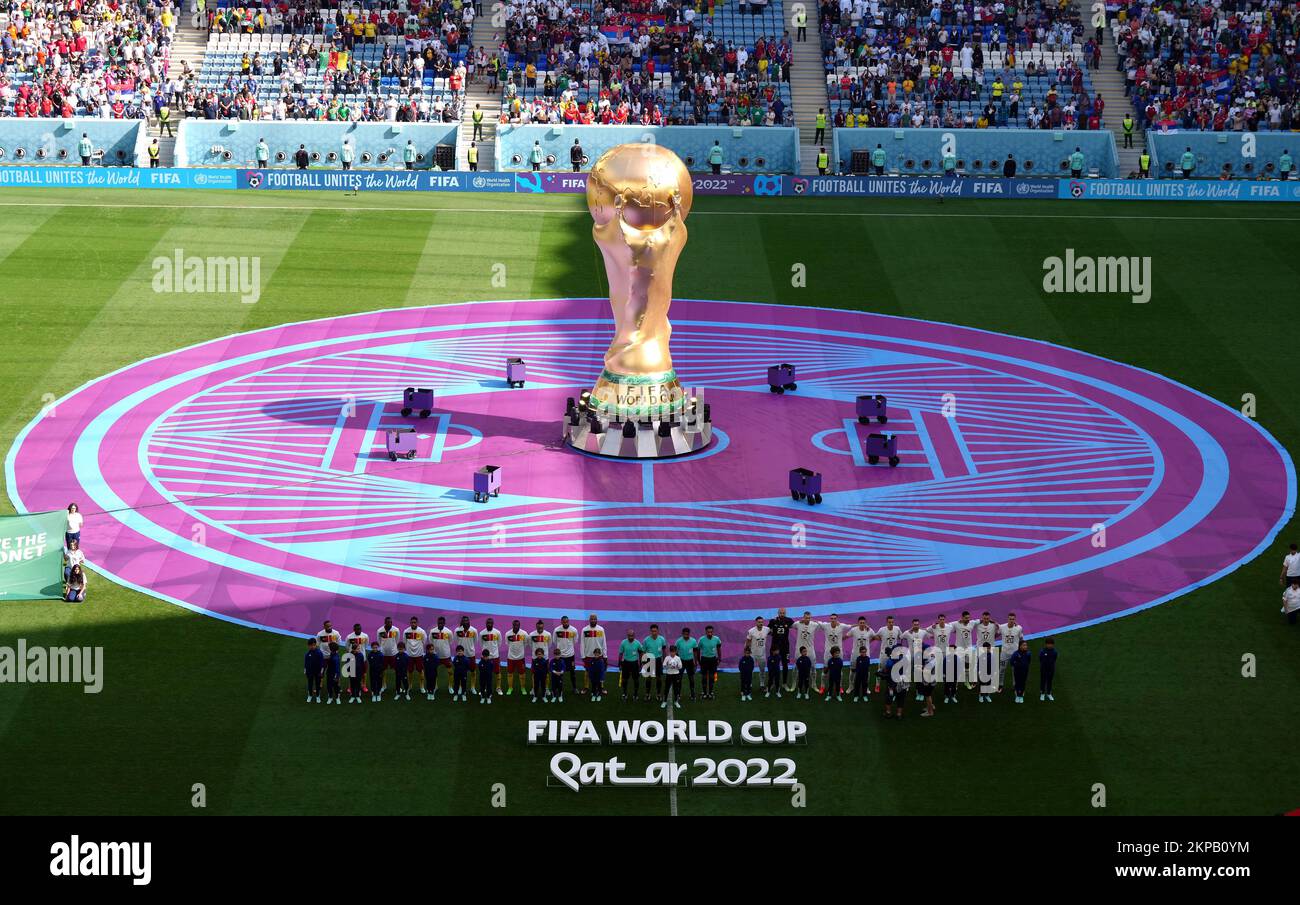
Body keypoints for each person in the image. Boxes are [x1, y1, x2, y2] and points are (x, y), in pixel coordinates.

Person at [768, 607, 794, 692]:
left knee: (785, 665)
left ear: (785, 613)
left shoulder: (789, 620)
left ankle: (784, 683)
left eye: (783, 613)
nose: (782, 614)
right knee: (773, 665)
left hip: (785, 647)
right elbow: (768, 631)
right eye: (780, 613)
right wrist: (773, 634)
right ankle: (772, 683)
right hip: (775, 647)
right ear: (778, 613)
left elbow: (796, 625)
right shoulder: (773, 621)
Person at [580, 614, 606, 695]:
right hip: (588, 655)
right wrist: (583, 655)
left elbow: (604, 643)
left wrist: (605, 655)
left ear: (597, 620)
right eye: (592, 619)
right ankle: (586, 687)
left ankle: (601, 687)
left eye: (595, 619)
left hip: (599, 656)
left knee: (600, 672)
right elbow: (582, 643)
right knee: (587, 672)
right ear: (589, 620)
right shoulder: (584, 630)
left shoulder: (601, 629)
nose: (593, 620)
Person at [553, 616, 579, 695]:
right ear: (561, 622)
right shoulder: (557, 630)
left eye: (566, 621)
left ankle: (574, 688)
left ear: (569, 621)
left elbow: (575, 641)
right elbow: (554, 641)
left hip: (570, 655)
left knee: (572, 672)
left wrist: (568, 648)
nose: (565, 623)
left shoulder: (574, 630)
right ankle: (557, 688)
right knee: (559, 673)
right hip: (560, 656)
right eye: (564, 622)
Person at [404, 616, 428, 697]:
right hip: (409, 655)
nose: (413, 624)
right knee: (409, 671)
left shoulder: (422, 631)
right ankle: (410, 685)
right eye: (412, 622)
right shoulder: (406, 631)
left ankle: (422, 686)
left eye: (414, 622)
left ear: (417, 623)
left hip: (419, 655)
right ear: (410, 623)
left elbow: (424, 641)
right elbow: (405, 641)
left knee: (420, 671)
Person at [642, 624, 667, 701]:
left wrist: (665, 660)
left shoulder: (662, 639)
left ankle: (658, 694)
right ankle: (647, 694)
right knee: (648, 678)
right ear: (650, 631)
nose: (654, 633)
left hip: (658, 660)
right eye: (652, 631)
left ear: (658, 631)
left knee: (659, 678)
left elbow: (664, 650)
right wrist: (643, 662)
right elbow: (643, 652)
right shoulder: (646, 640)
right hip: (649, 660)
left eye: (655, 631)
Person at [454, 616, 478, 693]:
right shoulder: (457, 630)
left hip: (471, 654)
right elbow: (455, 640)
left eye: (466, 620)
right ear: (461, 621)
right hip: (460, 656)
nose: (465, 622)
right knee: (460, 673)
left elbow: (475, 641)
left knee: (473, 672)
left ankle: (472, 687)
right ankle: (460, 687)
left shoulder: (474, 630)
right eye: (464, 620)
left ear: (469, 621)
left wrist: (469, 647)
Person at [504, 619, 529, 695]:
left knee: (522, 674)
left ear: (519, 625)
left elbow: (526, 643)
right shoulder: (508, 634)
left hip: (521, 658)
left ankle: (523, 688)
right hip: (510, 657)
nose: (516, 626)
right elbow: (507, 644)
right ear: (512, 625)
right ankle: (510, 688)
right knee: (510, 673)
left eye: (517, 625)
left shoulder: (524, 633)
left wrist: (520, 651)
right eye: (514, 625)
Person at [430, 616, 453, 696]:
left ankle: (450, 687)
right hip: (436, 656)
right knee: (434, 672)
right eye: (439, 623)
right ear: (437, 623)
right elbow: (431, 641)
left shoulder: (448, 632)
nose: (440, 624)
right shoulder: (432, 631)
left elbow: (450, 642)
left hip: (446, 655)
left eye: (442, 623)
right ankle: (435, 686)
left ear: (444, 623)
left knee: (450, 672)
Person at [745, 616, 770, 690]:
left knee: (762, 670)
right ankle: (749, 684)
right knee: (750, 670)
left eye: (762, 622)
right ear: (756, 622)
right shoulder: (751, 631)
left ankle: (762, 684)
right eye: (759, 622)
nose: (761, 623)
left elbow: (773, 631)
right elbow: (748, 641)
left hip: (762, 654)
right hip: (752, 654)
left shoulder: (767, 629)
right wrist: (747, 652)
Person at [617, 629, 642, 701]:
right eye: (629, 636)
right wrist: (619, 664)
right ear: (627, 635)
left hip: (634, 663)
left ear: (634, 635)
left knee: (636, 680)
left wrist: (640, 663)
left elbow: (641, 653)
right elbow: (620, 654)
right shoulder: (623, 642)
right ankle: (625, 693)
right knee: (624, 680)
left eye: (632, 636)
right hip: (626, 663)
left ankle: (635, 694)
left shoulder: (637, 643)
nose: (631, 637)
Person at [480, 618, 503, 695]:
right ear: (486, 623)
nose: (489, 624)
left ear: (493, 624)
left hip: (495, 656)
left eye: (490, 623)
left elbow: (499, 643)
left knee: (498, 672)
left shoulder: (497, 632)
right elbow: (481, 644)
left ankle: (498, 688)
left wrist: (494, 651)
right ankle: (484, 688)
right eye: (488, 623)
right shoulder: (481, 633)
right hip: (485, 657)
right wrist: (485, 654)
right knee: (484, 674)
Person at [698, 625, 721, 699]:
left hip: (713, 660)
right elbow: (698, 650)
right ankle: (704, 693)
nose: (710, 633)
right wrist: (698, 660)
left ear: (713, 632)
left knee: (711, 677)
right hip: (704, 659)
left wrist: (719, 658)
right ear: (706, 632)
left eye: (711, 632)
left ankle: (710, 692)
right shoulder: (701, 639)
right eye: (708, 632)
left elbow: (719, 649)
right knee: (704, 677)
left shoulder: (717, 639)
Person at [345, 622, 369, 694]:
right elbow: (347, 647)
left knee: (364, 673)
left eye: (359, 629)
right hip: (352, 658)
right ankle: (350, 686)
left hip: (363, 658)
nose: (358, 630)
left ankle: (363, 685)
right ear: (354, 629)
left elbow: (366, 645)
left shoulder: (365, 636)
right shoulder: (349, 637)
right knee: (351, 673)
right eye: (357, 629)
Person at [676, 627, 699, 699]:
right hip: (681, 661)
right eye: (684, 634)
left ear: (689, 634)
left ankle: (692, 694)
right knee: (679, 678)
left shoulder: (693, 641)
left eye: (687, 634)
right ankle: (678, 694)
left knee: (691, 678)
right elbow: (676, 652)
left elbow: (695, 652)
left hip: (690, 662)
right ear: (682, 634)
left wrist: (695, 662)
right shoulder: (678, 641)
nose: (686, 635)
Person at [661, 645, 683, 709]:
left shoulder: (678, 658)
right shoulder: (667, 658)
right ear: (669, 651)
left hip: (676, 675)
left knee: (676, 689)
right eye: (671, 652)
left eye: (674, 652)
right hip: (669, 675)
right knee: (666, 688)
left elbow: (680, 666)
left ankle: (676, 701)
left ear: (676, 651)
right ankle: (664, 701)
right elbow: (664, 665)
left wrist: (676, 666)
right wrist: (669, 666)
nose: (672, 653)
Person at [304, 638, 324, 703]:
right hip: (310, 672)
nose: (312, 647)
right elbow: (306, 663)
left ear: (316, 645)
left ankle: (318, 696)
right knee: (310, 684)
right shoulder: (307, 654)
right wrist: (305, 670)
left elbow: (322, 664)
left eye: (313, 645)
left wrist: (321, 672)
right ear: (308, 646)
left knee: (317, 684)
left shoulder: (319, 653)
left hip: (318, 672)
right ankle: (310, 695)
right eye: (310, 645)